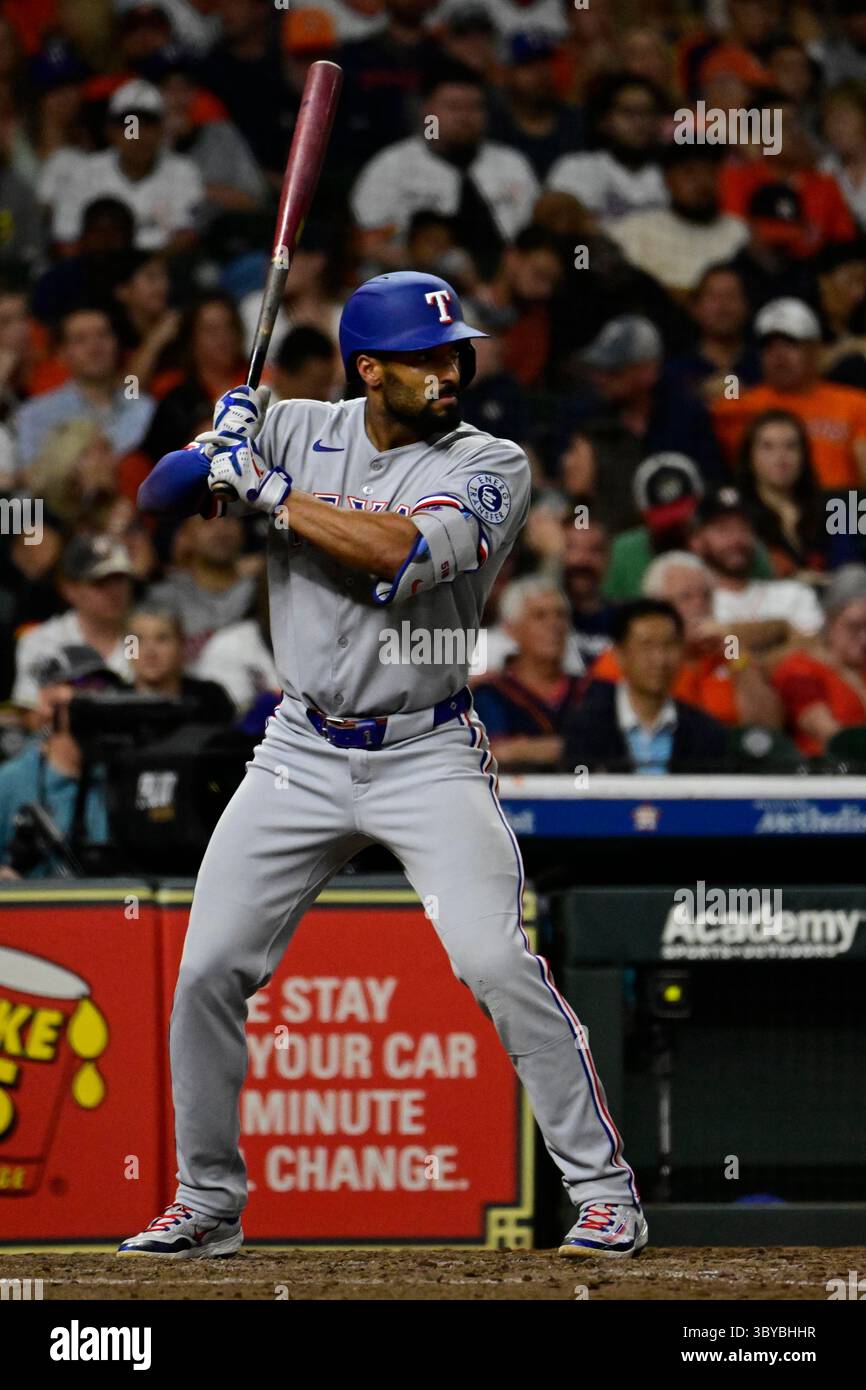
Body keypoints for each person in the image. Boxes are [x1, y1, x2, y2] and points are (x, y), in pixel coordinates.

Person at [124, 269, 646, 1260]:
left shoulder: (490, 461)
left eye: (453, 353)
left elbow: (400, 558)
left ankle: (603, 1190)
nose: (446, 371)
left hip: (425, 751)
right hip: (299, 749)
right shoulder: (298, 425)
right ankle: (207, 1197)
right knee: (202, 972)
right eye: (420, 358)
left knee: (494, 960)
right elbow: (157, 498)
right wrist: (217, 444)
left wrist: (268, 490)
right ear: (368, 367)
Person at [350, 62, 539, 274]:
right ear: (426, 111)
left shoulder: (511, 163)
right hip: (414, 284)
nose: (465, 117)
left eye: (475, 107)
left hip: (503, 285)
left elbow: (534, 236)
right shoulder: (392, 166)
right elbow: (366, 243)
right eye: (453, 107)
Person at [590, 550, 782, 729]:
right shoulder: (623, 659)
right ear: (658, 606)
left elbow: (767, 728)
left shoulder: (730, 654)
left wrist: (733, 649)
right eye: (686, 597)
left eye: (706, 596)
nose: (699, 606)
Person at [712, 296, 866, 489]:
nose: (779, 355)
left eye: (790, 343)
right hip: (766, 512)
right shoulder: (745, 404)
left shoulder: (856, 403)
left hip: (840, 512)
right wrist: (729, 384)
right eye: (768, 346)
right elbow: (726, 381)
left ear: (815, 350)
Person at [560, 598, 729, 774]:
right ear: (619, 655)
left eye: (669, 645)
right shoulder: (585, 728)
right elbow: (577, 793)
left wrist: (737, 650)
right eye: (646, 646)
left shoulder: (706, 732)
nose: (659, 659)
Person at [45, 79, 204, 254]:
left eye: (148, 125)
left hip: (162, 270)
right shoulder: (84, 173)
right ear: (110, 131)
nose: (138, 136)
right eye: (130, 125)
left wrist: (141, 272)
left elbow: (186, 236)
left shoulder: (182, 171)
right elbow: (67, 240)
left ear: (162, 129)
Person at [0, 646, 118, 879]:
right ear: (47, 700)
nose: (94, 695)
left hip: (113, 910)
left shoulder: (121, 777)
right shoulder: (10, 782)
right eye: (80, 684)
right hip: (39, 911)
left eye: (101, 686)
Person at [14, 306, 156, 474]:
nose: (95, 346)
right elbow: (33, 485)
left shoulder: (144, 408)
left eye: (103, 335)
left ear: (116, 344)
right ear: (62, 354)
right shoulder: (35, 415)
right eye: (80, 339)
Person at [690, 484, 824, 652]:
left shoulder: (793, 593)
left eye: (743, 528)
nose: (735, 539)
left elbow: (813, 651)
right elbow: (714, 656)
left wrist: (730, 633)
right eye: (722, 530)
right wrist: (782, 629)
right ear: (696, 542)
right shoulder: (694, 603)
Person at [12, 535, 137, 712]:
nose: (114, 591)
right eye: (100, 582)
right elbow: (31, 714)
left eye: (120, 579)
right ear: (70, 589)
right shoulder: (41, 641)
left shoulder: (149, 637)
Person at [470, 577, 583, 769]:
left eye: (561, 615)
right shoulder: (492, 693)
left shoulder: (587, 689)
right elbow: (494, 753)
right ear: (512, 629)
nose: (554, 625)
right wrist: (569, 747)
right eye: (540, 616)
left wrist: (523, 748)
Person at [609, 144, 749, 295]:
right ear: (668, 180)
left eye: (710, 172)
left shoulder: (738, 231)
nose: (702, 182)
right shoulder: (636, 230)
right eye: (690, 173)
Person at [546, 73, 667, 227]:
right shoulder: (576, 168)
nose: (640, 123)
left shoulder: (672, 174)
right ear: (604, 121)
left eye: (648, 113)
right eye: (629, 113)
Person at [772, 565, 866, 754]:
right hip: (828, 772)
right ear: (830, 621)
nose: (864, 638)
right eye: (855, 626)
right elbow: (826, 732)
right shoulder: (801, 668)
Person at [145, 514, 258, 664]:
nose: (221, 530)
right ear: (186, 536)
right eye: (208, 522)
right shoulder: (163, 596)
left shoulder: (262, 593)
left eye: (229, 519)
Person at [737, 410, 834, 577]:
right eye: (767, 447)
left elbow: (847, 568)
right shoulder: (737, 513)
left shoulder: (830, 507)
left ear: (804, 455)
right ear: (750, 457)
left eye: (791, 446)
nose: (781, 458)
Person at [127, 604, 236, 722]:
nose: (149, 652)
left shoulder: (211, 700)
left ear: (181, 645)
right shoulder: (110, 704)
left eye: (162, 639)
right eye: (138, 640)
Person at [270, 326, 337, 403]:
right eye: (317, 384)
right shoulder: (260, 412)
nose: (325, 394)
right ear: (284, 376)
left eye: (328, 384)